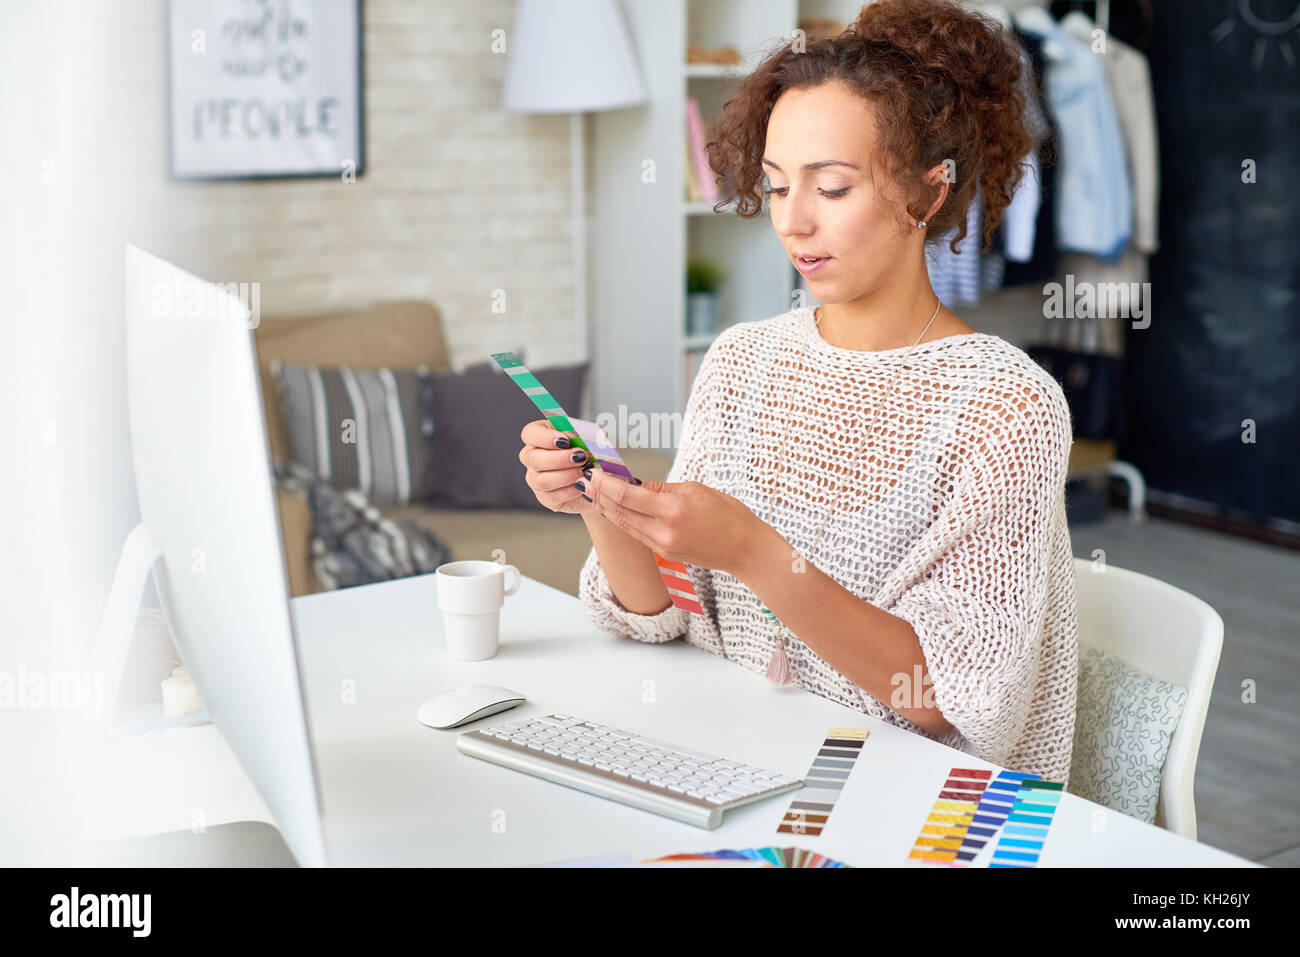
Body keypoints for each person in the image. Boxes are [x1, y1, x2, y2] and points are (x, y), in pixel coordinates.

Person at [516, 0, 1079, 784]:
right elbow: (668, 613)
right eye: (778, 187)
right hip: (734, 758)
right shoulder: (743, 360)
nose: (794, 222)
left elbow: (950, 697)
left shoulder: (1006, 406)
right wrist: (600, 500)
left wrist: (756, 551)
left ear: (927, 194)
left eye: (833, 188)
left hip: (906, 797)